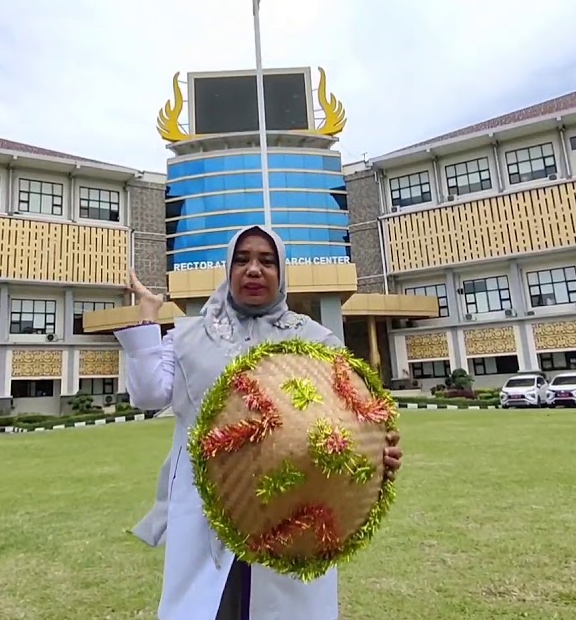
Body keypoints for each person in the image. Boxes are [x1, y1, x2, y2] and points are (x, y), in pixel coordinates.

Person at [115, 224, 402, 620]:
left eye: (266, 261)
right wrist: (147, 322)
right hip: (207, 508)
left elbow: (353, 419)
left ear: (281, 273)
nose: (253, 269)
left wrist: (377, 450)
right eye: (242, 259)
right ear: (228, 269)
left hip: (294, 506)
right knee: (211, 607)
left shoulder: (315, 342)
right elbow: (148, 395)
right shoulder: (190, 337)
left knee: (282, 606)